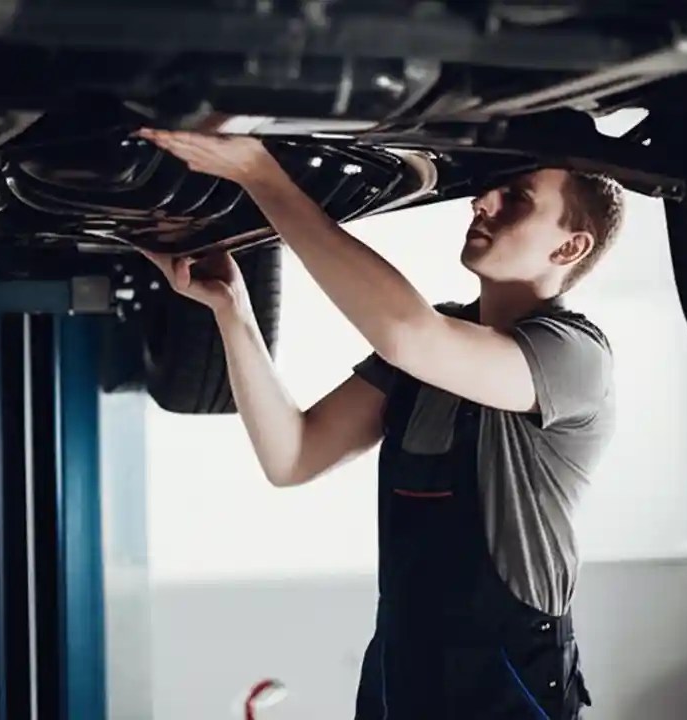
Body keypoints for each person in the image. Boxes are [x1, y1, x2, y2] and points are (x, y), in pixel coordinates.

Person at [137, 127, 624, 720]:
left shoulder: (573, 355)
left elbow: (408, 334)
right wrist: (232, 310)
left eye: (517, 198)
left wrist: (261, 175)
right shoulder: (429, 346)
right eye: (491, 191)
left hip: (506, 682)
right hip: (402, 668)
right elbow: (294, 456)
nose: (481, 201)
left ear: (569, 248)